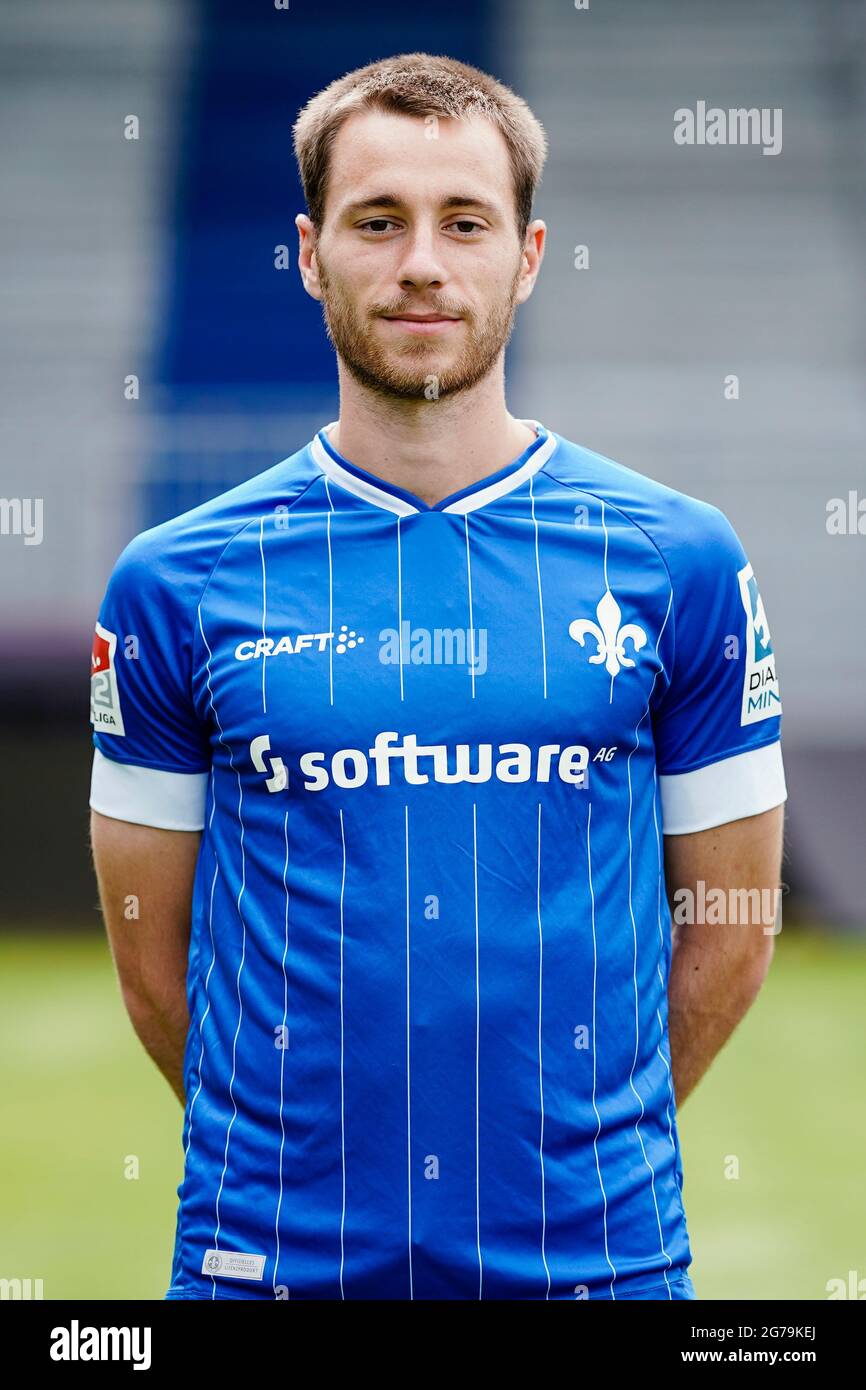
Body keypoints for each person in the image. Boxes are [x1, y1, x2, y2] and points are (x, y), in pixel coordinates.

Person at [89, 52, 786, 1301]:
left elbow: (730, 932)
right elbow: (152, 956)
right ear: (309, 255)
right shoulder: (173, 580)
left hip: (592, 1264)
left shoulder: (677, 559)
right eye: (377, 221)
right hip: (269, 1263)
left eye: (464, 222)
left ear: (526, 256)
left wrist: (562, 1157)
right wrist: (306, 1165)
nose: (421, 262)